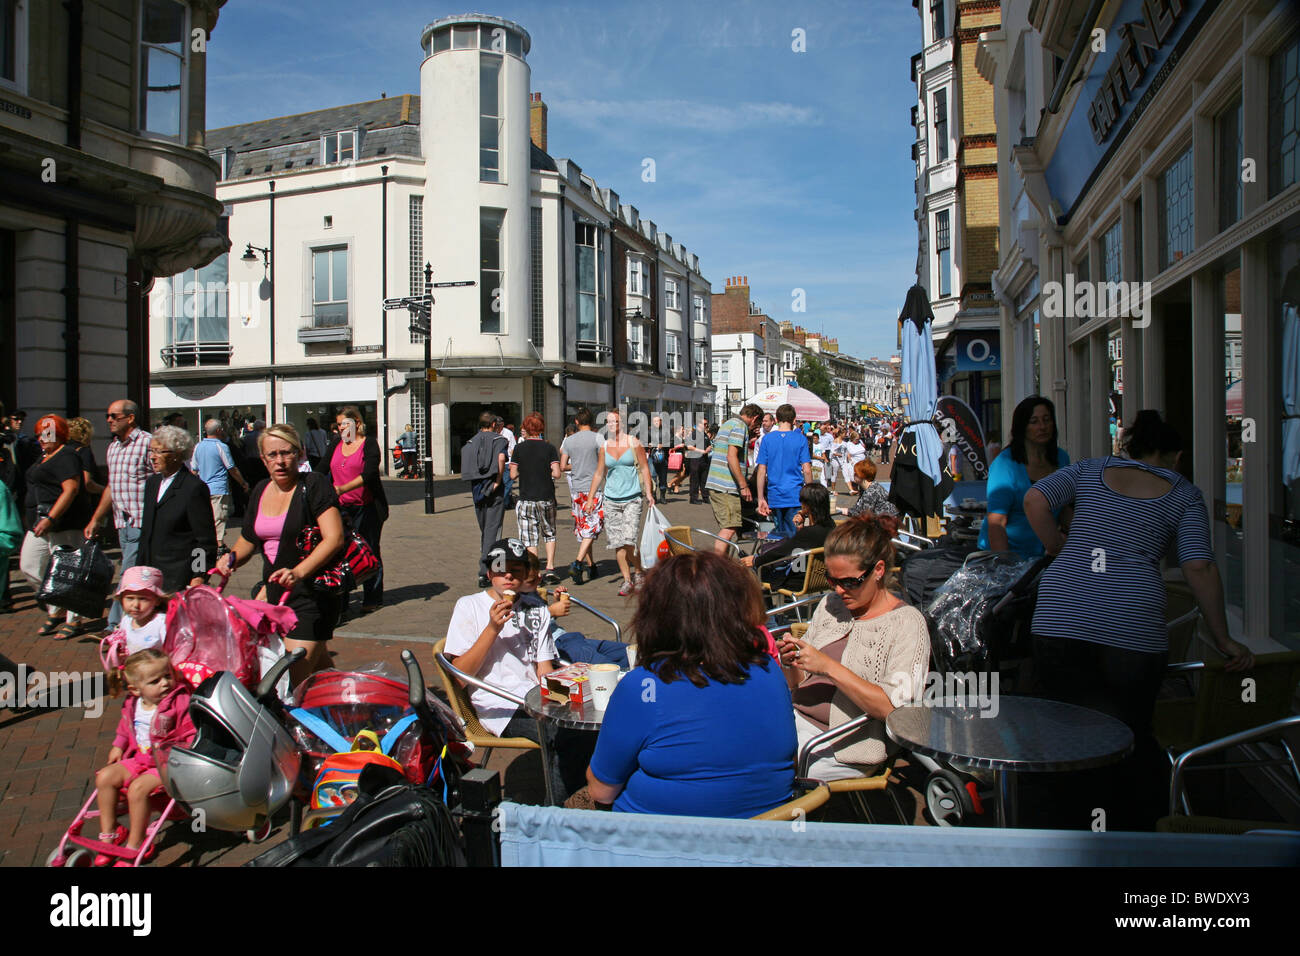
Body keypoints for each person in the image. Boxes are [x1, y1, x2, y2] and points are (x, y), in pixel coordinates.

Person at [1023, 410, 1255, 830]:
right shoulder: (1183, 494)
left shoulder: (1090, 470)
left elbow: (1035, 498)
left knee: (1060, 728)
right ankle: (1123, 833)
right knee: (1125, 736)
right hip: (1131, 633)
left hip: (1060, 619)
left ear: (1128, 447)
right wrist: (1224, 639)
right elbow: (1199, 567)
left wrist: (1057, 544)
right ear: (1176, 455)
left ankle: (1058, 828)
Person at [586, 550, 796, 817]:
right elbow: (787, 761)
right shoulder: (770, 671)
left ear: (657, 614)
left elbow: (602, 790)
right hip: (765, 840)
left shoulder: (644, 686)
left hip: (660, 845)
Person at [776, 514, 930, 780]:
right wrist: (789, 663)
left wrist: (830, 668)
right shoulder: (832, 606)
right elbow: (799, 683)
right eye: (831, 580)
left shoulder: (907, 623)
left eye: (849, 582)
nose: (838, 590)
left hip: (842, 744)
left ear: (878, 570)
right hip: (793, 719)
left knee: (759, 768)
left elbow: (897, 711)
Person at [444, 538, 589, 803]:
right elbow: (460, 676)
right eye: (500, 569)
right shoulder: (469, 606)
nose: (508, 575)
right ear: (489, 573)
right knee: (565, 735)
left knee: (586, 725)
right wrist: (492, 629)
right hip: (499, 704)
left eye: (517, 570)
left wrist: (568, 694)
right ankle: (555, 815)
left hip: (536, 698)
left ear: (525, 575)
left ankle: (567, 806)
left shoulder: (537, 609)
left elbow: (543, 669)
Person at [218, 424, 344, 686]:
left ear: (299, 454)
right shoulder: (260, 490)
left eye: (286, 453)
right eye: (272, 455)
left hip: (311, 594)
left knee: (289, 681)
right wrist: (231, 559)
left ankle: (316, 720)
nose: (280, 461)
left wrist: (298, 572)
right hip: (276, 598)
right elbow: (249, 539)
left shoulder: (314, 484)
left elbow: (334, 538)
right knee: (322, 677)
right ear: (263, 459)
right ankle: (351, 709)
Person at [93, 648, 195, 865]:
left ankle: (136, 843)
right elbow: (125, 727)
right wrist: (118, 746)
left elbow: (191, 733)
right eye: (155, 681)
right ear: (135, 689)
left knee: (137, 789)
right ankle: (111, 833)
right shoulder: (133, 703)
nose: (165, 683)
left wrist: (182, 752)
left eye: (168, 675)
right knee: (104, 776)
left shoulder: (180, 701)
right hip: (140, 758)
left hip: (168, 763)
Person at [19, 415, 94, 639]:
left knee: (67, 571)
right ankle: (56, 609)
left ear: (60, 434)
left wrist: (51, 518)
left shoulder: (67, 454)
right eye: (38, 435)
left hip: (64, 524)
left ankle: (74, 619)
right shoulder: (43, 456)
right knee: (29, 565)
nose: (41, 439)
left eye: (46, 434)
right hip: (38, 522)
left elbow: (70, 489)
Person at [85, 400, 153, 631]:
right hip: (121, 523)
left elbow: (162, 480)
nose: (109, 420)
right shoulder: (113, 447)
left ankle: (114, 625)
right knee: (137, 572)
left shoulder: (147, 443)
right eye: (108, 416)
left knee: (127, 572)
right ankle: (147, 617)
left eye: (114, 416)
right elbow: (111, 488)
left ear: (130, 417)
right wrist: (96, 518)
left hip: (141, 520)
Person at [978, 395, 1070, 557]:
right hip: (1007, 555)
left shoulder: (1062, 458)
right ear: (1022, 427)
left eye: (1047, 420)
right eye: (1034, 421)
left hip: (1044, 555)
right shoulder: (1004, 464)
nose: (1042, 427)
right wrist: (1005, 567)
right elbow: (996, 521)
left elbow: (1065, 510)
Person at [319, 406, 388, 615]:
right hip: (340, 508)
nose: (341, 428)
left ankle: (372, 597)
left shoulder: (369, 444)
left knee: (368, 550)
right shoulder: (335, 444)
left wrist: (341, 488)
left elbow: (369, 474)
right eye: (338, 424)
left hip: (367, 508)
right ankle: (342, 599)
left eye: (345, 423)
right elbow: (322, 469)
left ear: (357, 423)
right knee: (339, 552)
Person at [137, 426, 217, 593]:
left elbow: (204, 540)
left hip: (177, 577)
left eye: (158, 451)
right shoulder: (152, 483)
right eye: (151, 451)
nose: (152, 457)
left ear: (176, 454)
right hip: (148, 574)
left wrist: (199, 574)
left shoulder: (193, 488)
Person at [585, 409, 654, 597]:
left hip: (632, 498)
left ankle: (638, 572)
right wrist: (591, 497)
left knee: (629, 540)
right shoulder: (604, 446)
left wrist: (648, 493)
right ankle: (627, 580)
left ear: (622, 423)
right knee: (617, 543)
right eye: (608, 422)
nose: (611, 425)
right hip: (611, 500)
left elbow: (645, 469)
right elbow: (599, 473)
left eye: (615, 421)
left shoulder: (634, 443)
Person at [743, 482, 836, 592]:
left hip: (798, 580)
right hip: (820, 577)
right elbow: (802, 544)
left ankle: (765, 607)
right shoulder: (831, 526)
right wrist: (800, 526)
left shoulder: (809, 533)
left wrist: (756, 560)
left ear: (806, 505)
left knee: (755, 572)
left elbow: (781, 552)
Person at [510, 413, 562, 584]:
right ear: (541, 428)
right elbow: (557, 472)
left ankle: (534, 571)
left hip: (526, 498)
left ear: (526, 428)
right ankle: (551, 568)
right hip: (546, 496)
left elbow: (512, 474)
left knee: (529, 537)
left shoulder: (519, 449)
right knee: (549, 533)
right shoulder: (549, 448)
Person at [464, 411, 511, 589]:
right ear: (493, 424)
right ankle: (490, 570)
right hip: (493, 489)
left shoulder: (471, 442)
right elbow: (501, 459)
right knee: (495, 530)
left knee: (486, 530)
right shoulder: (499, 440)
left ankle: (489, 567)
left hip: (477, 490)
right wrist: (498, 481)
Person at [706, 403, 761, 553]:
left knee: (728, 527)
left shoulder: (728, 423)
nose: (755, 427)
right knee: (729, 528)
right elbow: (732, 457)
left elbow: (724, 450)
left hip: (716, 481)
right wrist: (744, 485)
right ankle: (716, 568)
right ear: (754, 418)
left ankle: (722, 566)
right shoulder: (740, 426)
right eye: (757, 424)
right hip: (726, 485)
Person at [559, 407, 605, 584]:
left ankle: (591, 566)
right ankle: (578, 563)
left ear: (576, 422)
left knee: (585, 528)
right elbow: (604, 461)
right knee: (592, 527)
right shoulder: (598, 438)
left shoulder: (569, 441)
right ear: (592, 421)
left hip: (577, 489)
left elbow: (563, 466)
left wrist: (576, 465)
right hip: (594, 487)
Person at [190, 419, 249, 554]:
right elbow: (231, 468)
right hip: (218, 487)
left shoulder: (198, 446)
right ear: (218, 431)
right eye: (221, 429)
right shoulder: (221, 446)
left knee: (209, 517)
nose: (223, 431)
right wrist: (243, 483)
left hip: (203, 488)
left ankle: (213, 543)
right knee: (219, 516)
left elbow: (194, 469)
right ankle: (219, 545)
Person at [755, 403, 812, 540]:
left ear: (776, 419)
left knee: (778, 535)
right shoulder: (800, 439)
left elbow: (761, 470)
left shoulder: (767, 439)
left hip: (775, 494)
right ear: (794, 420)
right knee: (794, 536)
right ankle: (792, 561)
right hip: (794, 494)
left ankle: (779, 560)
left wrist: (761, 497)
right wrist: (809, 495)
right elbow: (807, 470)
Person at [66, 418, 105, 499]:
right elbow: (87, 482)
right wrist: (106, 491)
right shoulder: (83, 450)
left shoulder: (63, 450)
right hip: (82, 502)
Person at [685, 417, 712, 504]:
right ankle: (693, 498)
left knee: (704, 479)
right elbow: (689, 446)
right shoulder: (694, 434)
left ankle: (705, 496)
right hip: (695, 460)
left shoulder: (704, 434)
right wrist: (702, 451)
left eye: (706, 424)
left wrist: (708, 448)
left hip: (704, 460)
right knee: (695, 480)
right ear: (699, 424)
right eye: (704, 424)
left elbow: (708, 444)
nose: (706, 426)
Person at [648, 415, 671, 500]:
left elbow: (672, 442)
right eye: (655, 421)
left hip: (663, 458)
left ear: (661, 421)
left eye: (658, 421)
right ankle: (653, 495)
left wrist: (663, 445)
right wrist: (648, 446)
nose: (656, 423)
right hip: (652, 458)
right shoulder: (649, 432)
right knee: (653, 476)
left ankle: (662, 496)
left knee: (663, 477)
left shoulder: (666, 431)